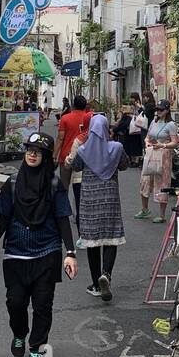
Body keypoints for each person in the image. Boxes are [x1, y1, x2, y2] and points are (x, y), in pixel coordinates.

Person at [0, 132, 77, 357]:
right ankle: (19, 333)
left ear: (46, 157)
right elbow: (3, 216)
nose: (32, 154)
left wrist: (71, 252)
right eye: (29, 150)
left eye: (38, 151)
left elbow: (62, 219)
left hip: (47, 252)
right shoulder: (12, 184)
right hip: (16, 253)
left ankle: (37, 350)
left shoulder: (54, 184)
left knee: (43, 304)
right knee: (15, 302)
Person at [68, 113, 128, 302]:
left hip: (89, 202)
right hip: (110, 200)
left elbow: (76, 167)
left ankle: (95, 284)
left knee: (92, 241)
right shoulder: (116, 148)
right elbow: (125, 165)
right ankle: (106, 275)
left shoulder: (84, 150)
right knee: (111, 239)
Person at [136, 99, 178, 225]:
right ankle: (144, 209)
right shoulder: (154, 122)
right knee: (145, 180)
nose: (158, 111)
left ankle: (162, 214)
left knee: (162, 182)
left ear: (167, 110)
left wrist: (163, 146)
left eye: (161, 109)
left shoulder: (171, 125)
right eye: (157, 109)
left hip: (163, 156)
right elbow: (147, 137)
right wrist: (147, 142)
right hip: (151, 153)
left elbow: (175, 142)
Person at [55, 94, 91, 231]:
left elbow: (60, 138)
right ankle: (78, 215)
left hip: (65, 156)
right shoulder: (89, 118)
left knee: (64, 187)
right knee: (79, 188)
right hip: (83, 158)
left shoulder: (65, 118)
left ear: (73, 104)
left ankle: (63, 213)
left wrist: (55, 154)